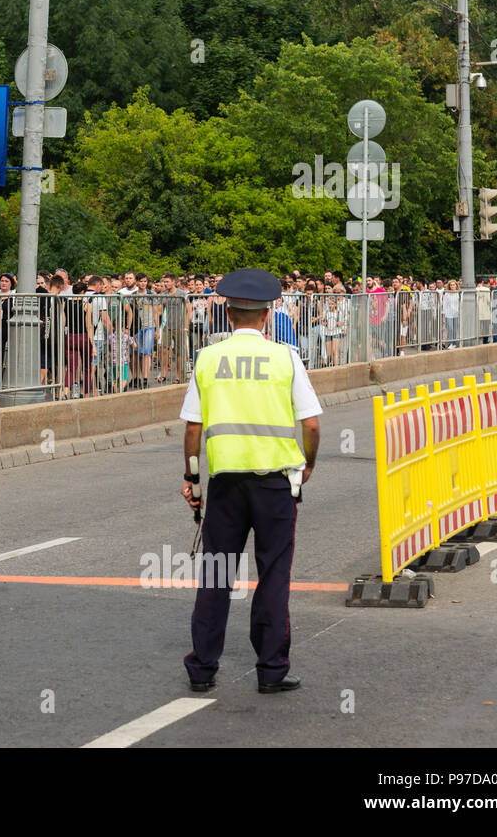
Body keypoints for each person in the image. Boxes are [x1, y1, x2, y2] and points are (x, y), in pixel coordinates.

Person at [179, 268, 321, 695]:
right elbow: (311, 424)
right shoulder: (286, 358)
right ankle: (272, 669)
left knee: (217, 575)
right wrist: (307, 465)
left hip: (224, 485)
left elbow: (192, 429)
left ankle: (203, 668)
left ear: (228, 315)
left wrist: (193, 479)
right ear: (267, 315)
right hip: (276, 483)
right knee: (273, 573)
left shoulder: (207, 358)